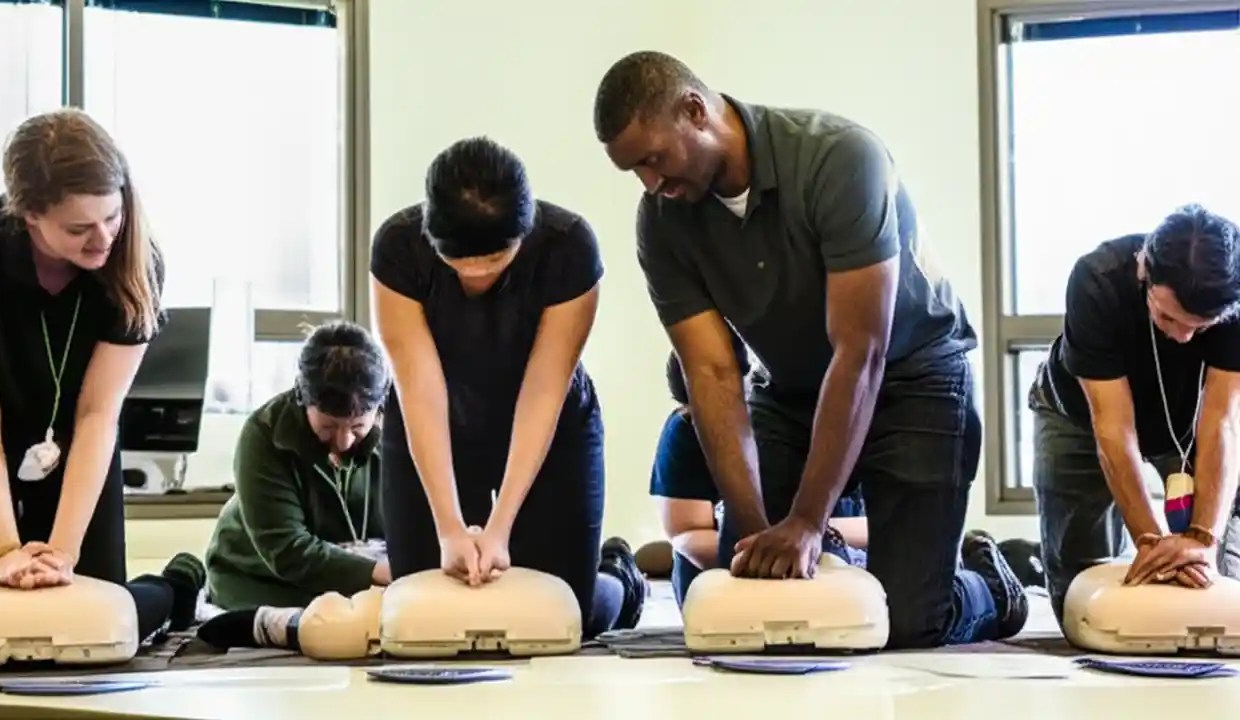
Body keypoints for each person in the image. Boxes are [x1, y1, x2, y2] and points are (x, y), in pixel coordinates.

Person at [593, 51, 1026, 649]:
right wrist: (751, 525)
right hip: (791, 388)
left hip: (915, 379)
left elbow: (861, 352)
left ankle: (988, 585)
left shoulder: (840, 159)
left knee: (903, 623)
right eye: (633, 171)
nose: (651, 184)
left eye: (653, 159)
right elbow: (713, 372)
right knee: (747, 610)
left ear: (694, 111)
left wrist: (807, 521)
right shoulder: (662, 222)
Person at [370, 136, 647, 637]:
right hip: (438, 420)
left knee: (562, 615)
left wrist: (499, 528)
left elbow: (544, 388)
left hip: (549, 420)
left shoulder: (569, 246)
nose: (476, 278)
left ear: (524, 234)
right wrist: (450, 527)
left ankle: (620, 579)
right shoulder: (397, 247)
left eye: (494, 262)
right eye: (460, 265)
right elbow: (420, 390)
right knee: (422, 614)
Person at [0, 108, 201, 641]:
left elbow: (98, 414)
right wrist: (2, 552)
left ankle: (173, 587)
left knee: (93, 626)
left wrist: (63, 552)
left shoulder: (137, 260)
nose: (103, 239)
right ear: (28, 215)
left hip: (80, 440)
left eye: (111, 217)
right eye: (77, 228)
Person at [1027, 204, 1240, 622]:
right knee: (1079, 605)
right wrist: (1149, 541)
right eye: (1168, 316)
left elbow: (1223, 422)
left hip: (1190, 422)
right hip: (1080, 419)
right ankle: (1003, 579)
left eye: (1202, 326)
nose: (1183, 337)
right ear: (1144, 269)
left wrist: (1202, 537)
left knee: (1220, 596)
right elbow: (1114, 430)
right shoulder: (1096, 280)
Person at [651, 341, 869, 609]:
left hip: (835, 556)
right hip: (725, 565)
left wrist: (807, 534)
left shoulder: (847, 413)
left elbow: (878, 523)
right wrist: (774, 547)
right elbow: (686, 534)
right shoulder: (686, 428)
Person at [204, 320, 392, 611]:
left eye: (357, 426)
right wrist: (384, 573)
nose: (343, 442)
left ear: (380, 407)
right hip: (263, 579)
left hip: (374, 575)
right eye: (328, 426)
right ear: (301, 398)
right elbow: (288, 550)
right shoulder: (264, 434)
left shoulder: (402, 430)